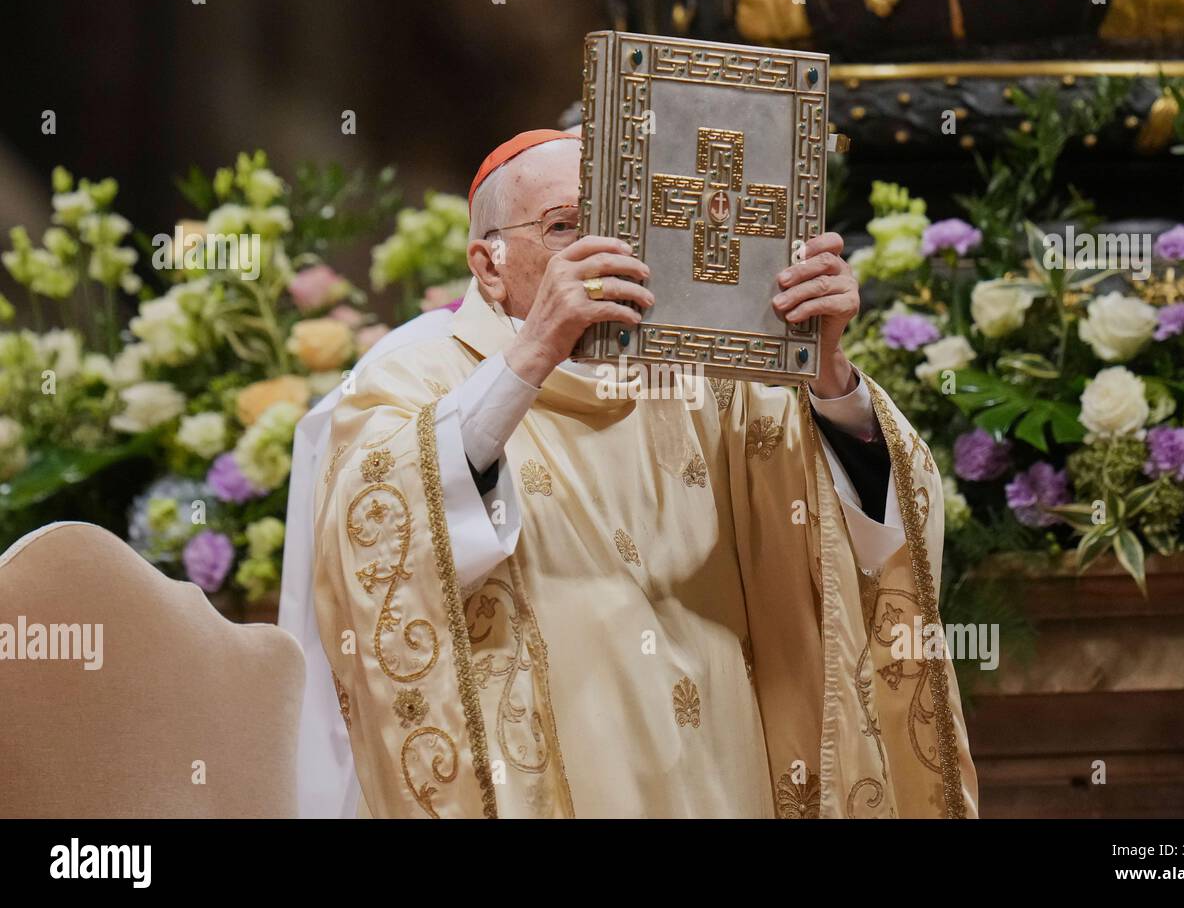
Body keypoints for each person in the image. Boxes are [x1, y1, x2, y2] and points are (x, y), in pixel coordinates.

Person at [292, 128, 978, 818]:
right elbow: (376, 532)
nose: (601, 254)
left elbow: (880, 535)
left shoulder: (714, 377)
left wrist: (825, 368)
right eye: (565, 227)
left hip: (727, 766)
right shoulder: (418, 374)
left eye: (623, 227)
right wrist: (535, 353)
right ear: (489, 263)